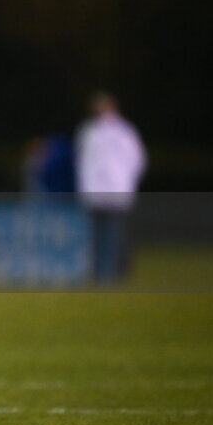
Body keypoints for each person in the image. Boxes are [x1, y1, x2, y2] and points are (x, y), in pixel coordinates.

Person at [76, 92, 146, 283]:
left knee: (113, 233)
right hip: (97, 192)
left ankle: (112, 272)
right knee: (99, 234)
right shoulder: (89, 131)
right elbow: (83, 163)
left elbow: (137, 160)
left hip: (114, 190)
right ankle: (100, 272)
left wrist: (125, 183)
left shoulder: (122, 131)